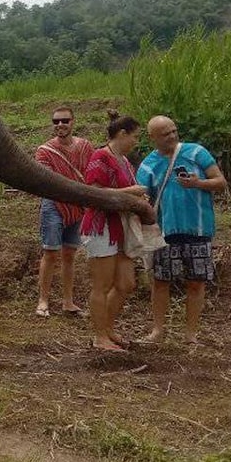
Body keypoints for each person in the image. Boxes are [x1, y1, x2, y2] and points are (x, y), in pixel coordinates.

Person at [137, 116, 226, 344]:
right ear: (152, 138)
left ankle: (191, 334)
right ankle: (158, 330)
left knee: (196, 281)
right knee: (161, 280)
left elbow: (220, 182)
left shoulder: (196, 152)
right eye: (165, 133)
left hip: (198, 229)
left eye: (174, 130)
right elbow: (142, 197)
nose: (172, 136)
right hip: (164, 231)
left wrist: (199, 183)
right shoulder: (148, 164)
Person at [80, 110, 147, 351]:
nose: (136, 142)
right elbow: (95, 192)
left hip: (120, 227)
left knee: (126, 283)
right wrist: (132, 192)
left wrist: (136, 195)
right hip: (101, 226)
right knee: (102, 285)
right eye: (135, 137)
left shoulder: (125, 161)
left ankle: (108, 328)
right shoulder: (101, 157)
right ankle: (100, 336)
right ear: (121, 134)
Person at [34, 106, 92, 317]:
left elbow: (91, 172)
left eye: (65, 121)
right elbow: (46, 179)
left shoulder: (85, 147)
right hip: (54, 204)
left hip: (77, 206)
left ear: (73, 122)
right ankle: (43, 301)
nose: (60, 125)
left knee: (70, 254)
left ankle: (68, 301)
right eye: (56, 122)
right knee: (50, 252)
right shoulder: (45, 151)